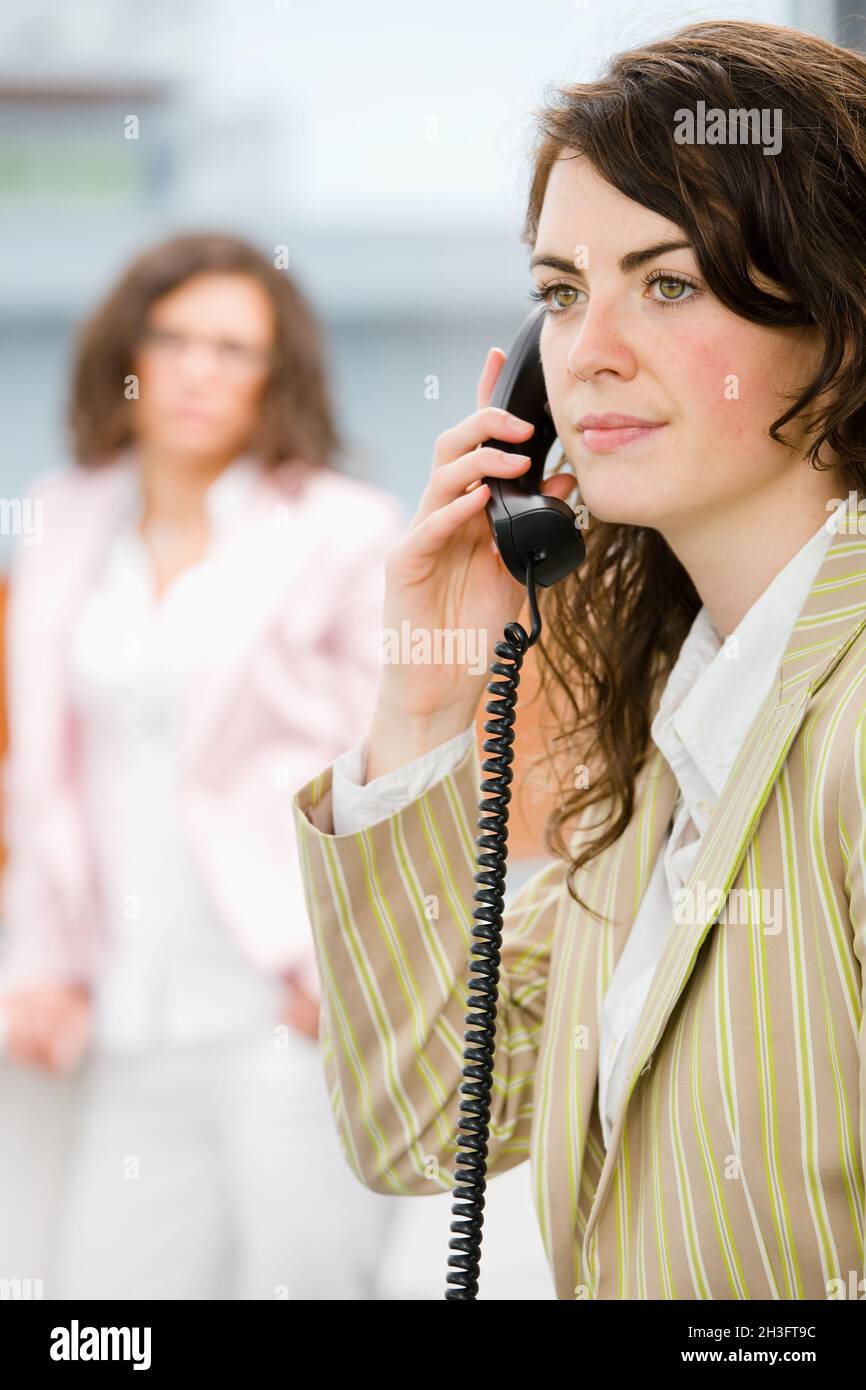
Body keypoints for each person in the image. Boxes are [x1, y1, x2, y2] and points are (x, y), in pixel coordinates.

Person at [289, 19, 866, 1300]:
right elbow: (424, 1121)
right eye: (559, 291)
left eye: (665, 283)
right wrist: (429, 687)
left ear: (835, 317)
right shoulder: (674, 742)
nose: (584, 348)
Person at [0, 230, 405, 1298]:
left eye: (233, 348)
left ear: (277, 374)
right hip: (128, 1013)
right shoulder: (66, 515)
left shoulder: (340, 530)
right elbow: (43, 770)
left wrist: (346, 961)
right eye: (173, 338)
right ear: (125, 355)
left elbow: (402, 761)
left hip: (282, 1003)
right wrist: (42, 951)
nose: (195, 368)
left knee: (306, 1284)